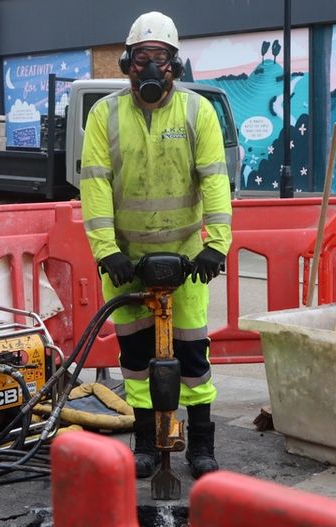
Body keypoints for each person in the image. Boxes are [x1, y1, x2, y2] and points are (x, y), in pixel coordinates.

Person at [80, 11, 232, 480]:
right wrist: (107, 251)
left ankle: (201, 444)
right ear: (127, 62)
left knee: (192, 356)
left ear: (176, 65)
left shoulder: (196, 111)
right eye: (142, 57)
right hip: (126, 263)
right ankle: (145, 440)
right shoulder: (104, 115)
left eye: (161, 58)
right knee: (137, 357)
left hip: (185, 260)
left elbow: (214, 180)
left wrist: (217, 245)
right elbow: (96, 185)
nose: (151, 68)